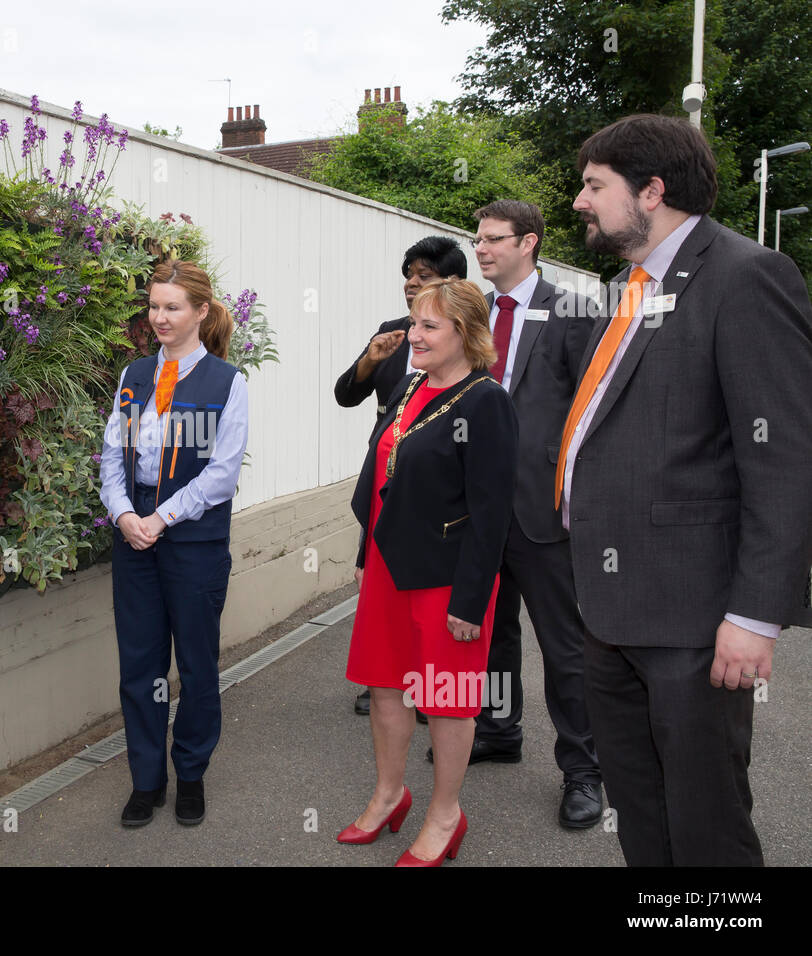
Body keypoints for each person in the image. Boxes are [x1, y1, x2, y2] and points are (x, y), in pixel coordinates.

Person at [563, 114, 812, 865]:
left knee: (706, 825)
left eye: (594, 185)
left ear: (652, 191)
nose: (580, 201)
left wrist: (755, 615)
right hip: (610, 611)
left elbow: (785, 458)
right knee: (641, 811)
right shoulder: (630, 286)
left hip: (696, 619)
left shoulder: (745, 276)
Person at [424, 199, 603, 829]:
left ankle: (583, 770)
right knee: (485, 633)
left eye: (494, 240)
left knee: (565, 647)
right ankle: (499, 729)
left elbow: (593, 413)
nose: (481, 249)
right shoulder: (469, 314)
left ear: (528, 243)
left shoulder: (573, 311)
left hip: (541, 511)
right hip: (474, 514)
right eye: (477, 239)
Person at [340, 278, 517, 865]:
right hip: (391, 569)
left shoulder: (485, 400)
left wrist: (471, 601)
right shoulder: (414, 388)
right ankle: (390, 795)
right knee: (386, 685)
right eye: (414, 324)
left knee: (445, 698)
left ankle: (446, 815)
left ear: (464, 334)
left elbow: (492, 514)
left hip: (447, 579)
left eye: (428, 327)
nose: (413, 335)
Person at [98, 260, 248, 828]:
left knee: (197, 663)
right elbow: (115, 453)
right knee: (139, 664)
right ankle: (146, 780)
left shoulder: (227, 383)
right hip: (134, 537)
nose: (159, 318)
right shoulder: (134, 374)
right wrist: (123, 513)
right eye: (154, 307)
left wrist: (160, 518)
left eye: (172, 308)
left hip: (194, 542)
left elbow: (222, 474)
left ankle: (191, 774)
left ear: (201, 313)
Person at [335, 235, 467, 717]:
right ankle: (386, 676)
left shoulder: (467, 331)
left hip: (444, 483)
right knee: (379, 575)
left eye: (425, 276)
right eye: (408, 276)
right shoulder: (393, 332)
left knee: (433, 588)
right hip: (387, 478)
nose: (412, 284)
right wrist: (371, 358)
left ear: (453, 283)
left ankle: (438, 686)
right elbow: (345, 395)